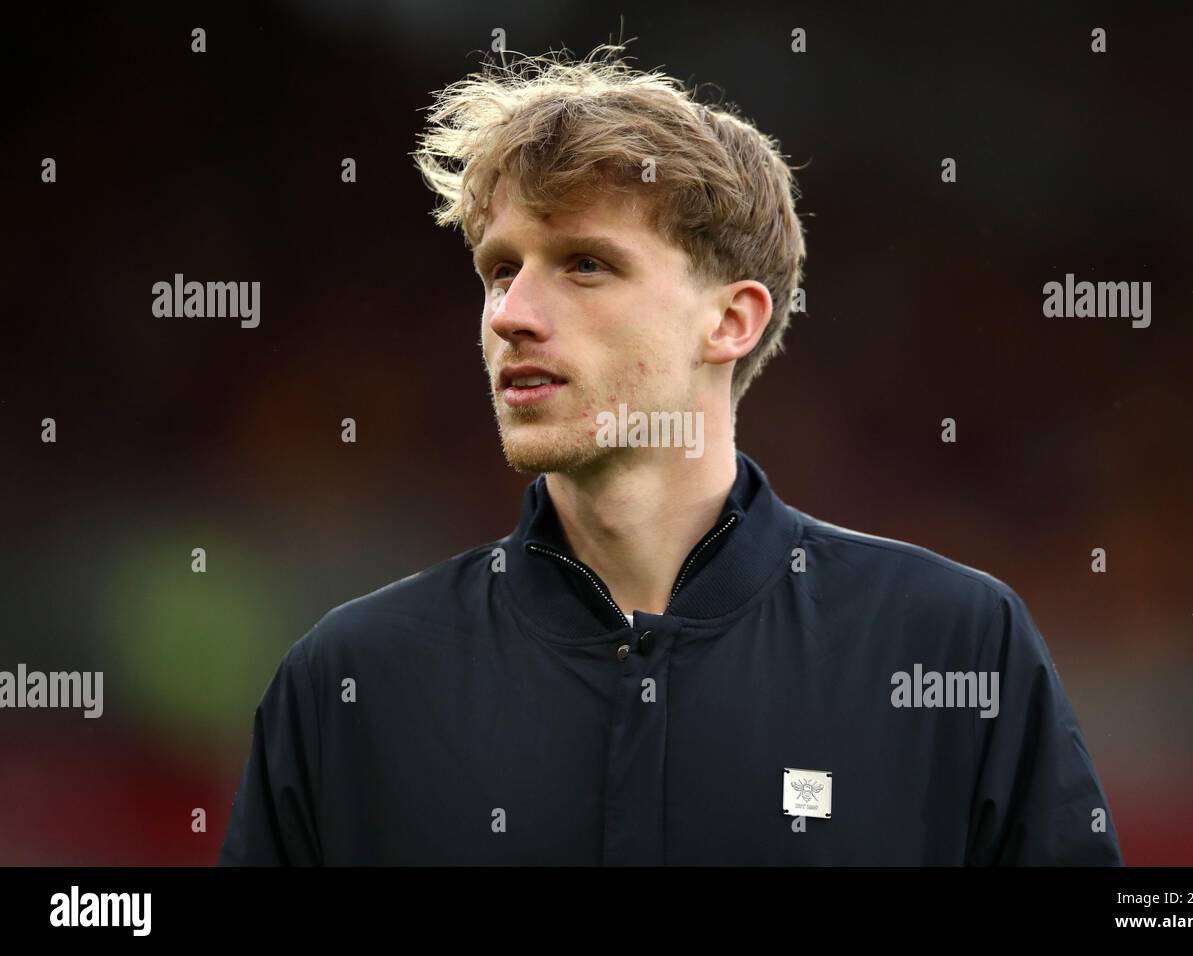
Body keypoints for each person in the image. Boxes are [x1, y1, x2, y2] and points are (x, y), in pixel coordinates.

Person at [218, 44, 1122, 865]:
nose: (511, 315)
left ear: (730, 321)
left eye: (584, 265)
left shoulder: (952, 645)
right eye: (500, 268)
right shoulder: (350, 681)